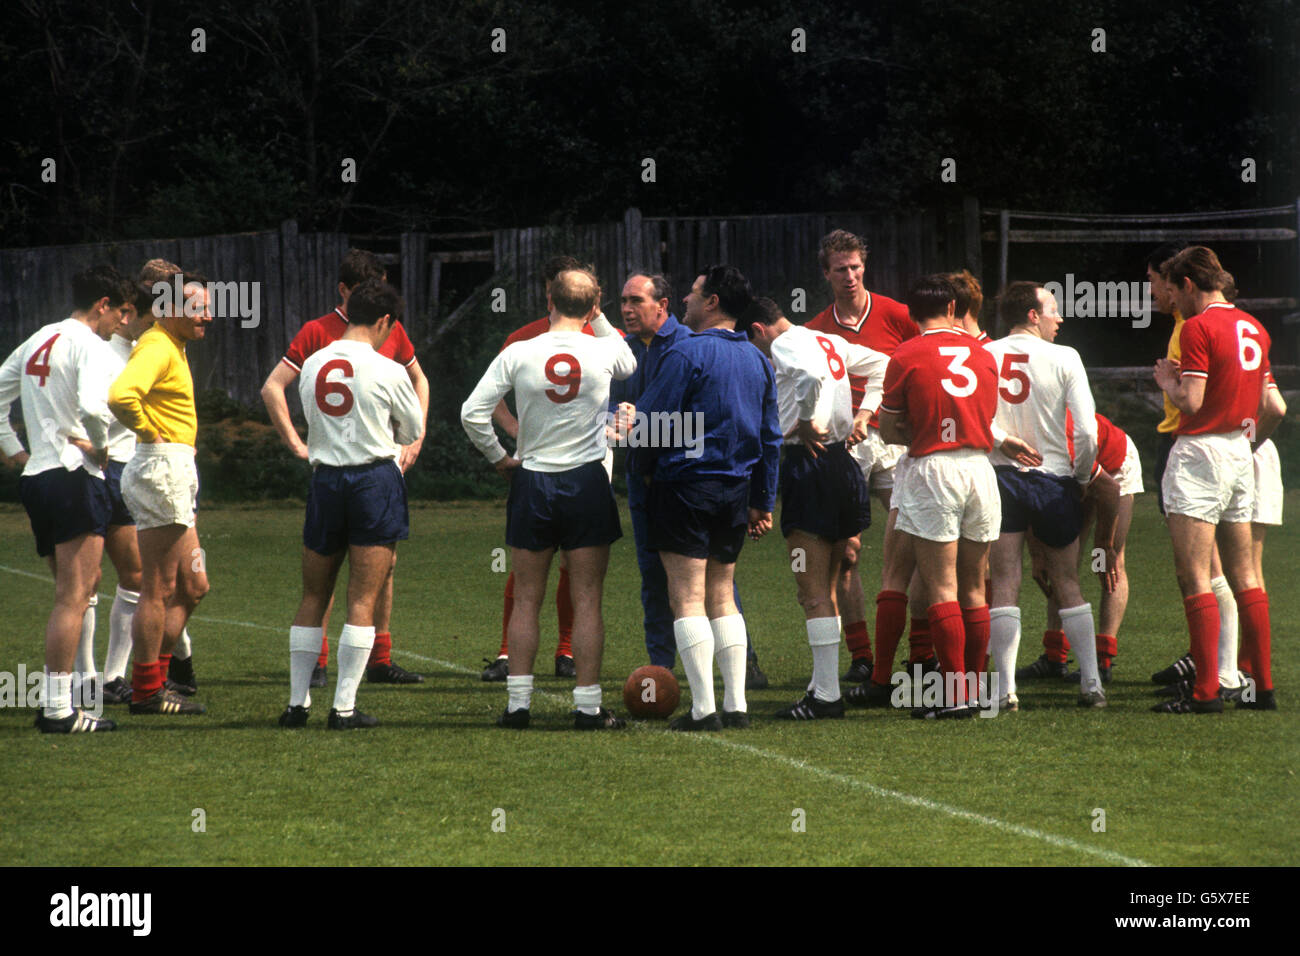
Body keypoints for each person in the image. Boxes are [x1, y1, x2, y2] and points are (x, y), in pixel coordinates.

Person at [462, 267, 636, 729]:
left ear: (548, 299)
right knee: (588, 599)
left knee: (525, 599)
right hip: (585, 481)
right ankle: (588, 708)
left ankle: (518, 707)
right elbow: (630, 363)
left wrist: (500, 458)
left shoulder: (520, 351)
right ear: (596, 303)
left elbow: (471, 412)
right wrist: (596, 316)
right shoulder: (604, 349)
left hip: (533, 481)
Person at [261, 249, 428, 687]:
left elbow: (289, 394)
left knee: (313, 594)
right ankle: (344, 704)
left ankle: (297, 703)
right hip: (373, 475)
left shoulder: (316, 360)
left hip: (326, 477)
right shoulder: (382, 364)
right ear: (382, 321)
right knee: (361, 597)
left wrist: (303, 444)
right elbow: (411, 424)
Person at [628, 265, 781, 731]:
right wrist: (763, 500)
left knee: (687, 597)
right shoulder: (758, 359)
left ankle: (703, 710)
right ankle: (736, 706)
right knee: (722, 597)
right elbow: (770, 437)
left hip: (684, 486)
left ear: (713, 301)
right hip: (734, 489)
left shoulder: (685, 352)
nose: (687, 303)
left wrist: (639, 460)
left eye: (694, 294)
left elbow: (649, 426)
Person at [0, 266, 134, 732]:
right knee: (73, 596)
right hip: (73, 476)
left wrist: (15, 448)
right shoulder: (90, 346)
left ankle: (77, 693)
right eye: (119, 312)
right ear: (102, 305)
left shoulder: (39, 337)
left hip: (38, 479)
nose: (121, 322)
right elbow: (97, 409)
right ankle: (57, 709)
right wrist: (101, 448)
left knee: (81, 589)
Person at [1152, 246, 1282, 712]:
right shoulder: (1255, 326)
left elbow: (1191, 400)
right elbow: (1274, 407)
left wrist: (1167, 382)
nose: (1173, 301)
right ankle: (1261, 686)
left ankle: (1205, 691)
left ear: (1189, 284)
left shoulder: (1199, 327)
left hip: (1201, 452)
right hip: (1240, 452)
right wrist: (1246, 444)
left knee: (1195, 576)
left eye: (1174, 290)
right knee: (1246, 574)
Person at [746, 297, 885, 718]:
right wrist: (864, 414)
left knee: (811, 591)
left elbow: (807, 377)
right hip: (843, 464)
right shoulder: (826, 338)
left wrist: (807, 420)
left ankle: (825, 696)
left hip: (808, 466)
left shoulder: (786, 344)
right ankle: (822, 683)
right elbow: (883, 365)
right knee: (827, 582)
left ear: (757, 329)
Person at [876, 274, 1001, 718]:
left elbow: (888, 429)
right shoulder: (984, 353)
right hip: (980, 470)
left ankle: (954, 696)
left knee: (941, 587)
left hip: (935, 469)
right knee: (974, 586)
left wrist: (914, 426)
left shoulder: (905, 353)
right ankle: (978, 687)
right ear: (953, 309)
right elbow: (986, 416)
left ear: (912, 314)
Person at [984, 281, 1109, 710]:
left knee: (1005, 582)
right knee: (1068, 582)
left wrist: (1001, 440)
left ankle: (1005, 691)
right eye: (1053, 309)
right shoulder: (1065, 357)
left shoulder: (985, 354)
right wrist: (1079, 476)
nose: (1060, 317)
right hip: (1053, 478)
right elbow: (1087, 431)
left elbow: (975, 418)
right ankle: (1091, 684)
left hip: (1001, 478)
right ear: (1032, 315)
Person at [806, 229, 921, 681]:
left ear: (864, 266)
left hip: (894, 440)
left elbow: (926, 360)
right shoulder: (815, 329)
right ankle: (861, 657)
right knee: (845, 552)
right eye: (841, 269)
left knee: (917, 542)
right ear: (826, 273)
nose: (850, 276)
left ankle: (920, 653)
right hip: (845, 448)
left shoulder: (897, 314)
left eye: (856, 267)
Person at [108, 270, 215, 716]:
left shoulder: (172, 344)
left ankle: (154, 678)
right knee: (159, 585)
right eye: (197, 306)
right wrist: (152, 433)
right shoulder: (155, 345)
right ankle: (147, 690)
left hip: (172, 470)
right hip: (162, 469)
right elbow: (120, 396)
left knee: (194, 585)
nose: (207, 313)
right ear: (169, 308)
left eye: (209, 305)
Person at [480, 254, 591, 682]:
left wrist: (613, 432)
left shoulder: (605, 338)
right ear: (548, 290)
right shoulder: (521, 340)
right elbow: (489, 400)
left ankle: (567, 651)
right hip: (537, 466)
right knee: (527, 564)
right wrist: (514, 429)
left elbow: (626, 390)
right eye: (551, 286)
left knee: (572, 566)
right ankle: (509, 653)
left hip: (585, 465)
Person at [98, 274, 169, 705]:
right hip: (114, 469)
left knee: (147, 578)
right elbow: (105, 407)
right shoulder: (111, 353)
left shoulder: (149, 349)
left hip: (132, 469)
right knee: (134, 578)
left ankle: (109, 677)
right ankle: (104, 678)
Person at [1023, 413, 1135, 684]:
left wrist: (1103, 545)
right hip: (1074, 479)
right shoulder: (1022, 435)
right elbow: (1029, 500)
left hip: (1112, 471)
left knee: (1107, 565)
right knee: (1059, 560)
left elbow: (1107, 491)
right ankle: (1054, 656)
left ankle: (1104, 657)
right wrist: (1038, 553)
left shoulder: (1062, 437)